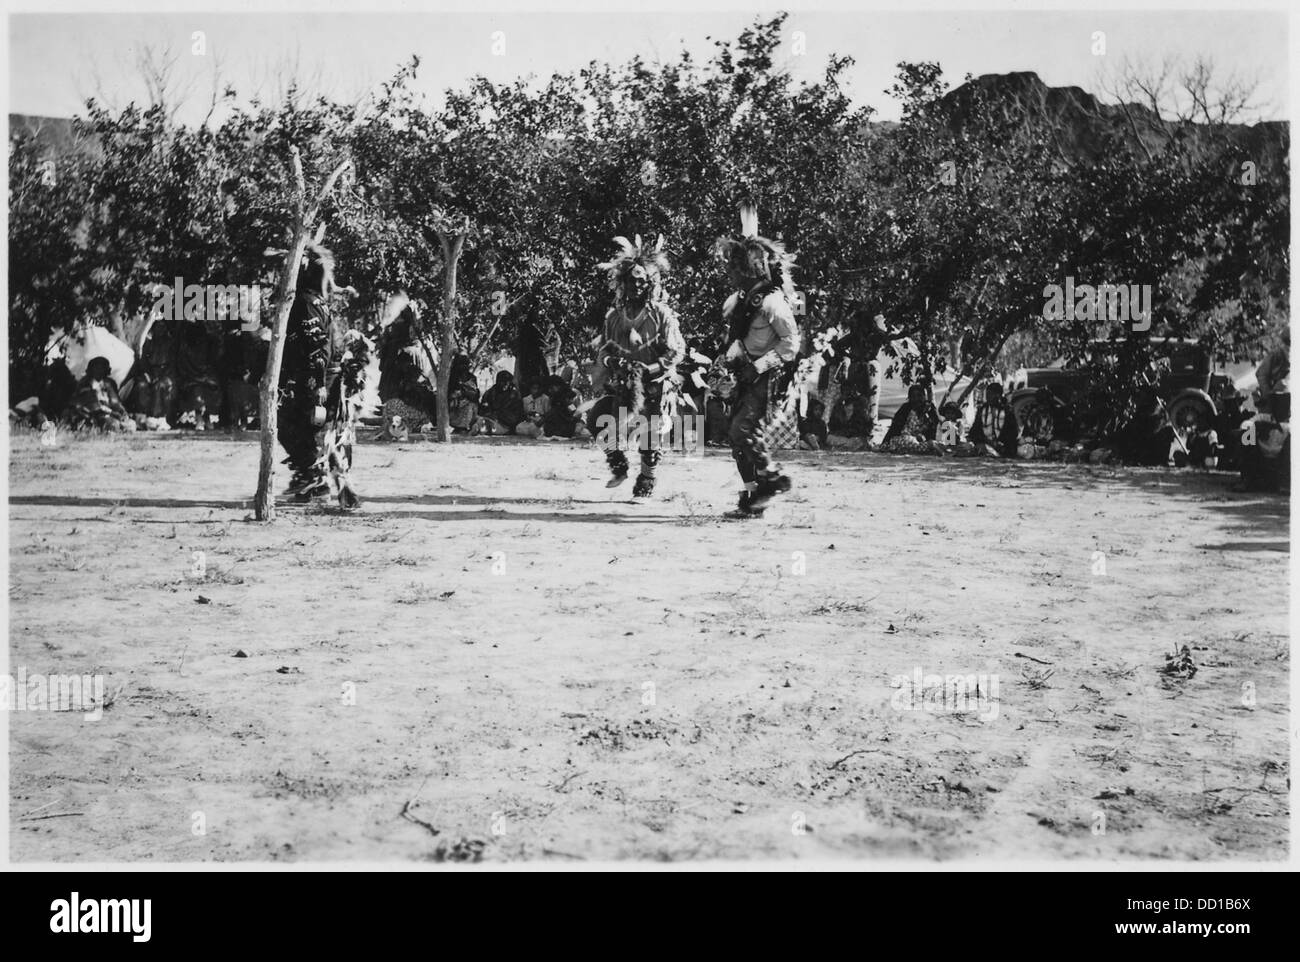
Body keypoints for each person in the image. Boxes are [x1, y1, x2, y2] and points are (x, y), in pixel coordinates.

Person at [714, 204, 800, 516]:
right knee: (737, 438)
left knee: (742, 430)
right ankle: (753, 498)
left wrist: (759, 367)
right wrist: (726, 365)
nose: (731, 272)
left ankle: (772, 478)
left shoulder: (774, 302)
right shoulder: (738, 301)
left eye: (736, 267)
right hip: (743, 372)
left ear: (750, 268)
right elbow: (737, 340)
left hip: (769, 374)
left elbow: (792, 343)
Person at [586, 233, 687, 496]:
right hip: (624, 386)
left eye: (640, 281)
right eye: (630, 281)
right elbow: (604, 349)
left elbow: (677, 351)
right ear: (622, 283)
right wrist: (613, 362)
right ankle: (618, 465)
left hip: (655, 386)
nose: (635, 286)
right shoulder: (614, 317)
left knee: (650, 434)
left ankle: (645, 483)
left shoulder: (661, 315)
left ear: (650, 283)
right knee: (596, 418)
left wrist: (652, 370)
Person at [278, 243, 350, 503]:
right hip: (318, 376)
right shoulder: (314, 300)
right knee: (304, 430)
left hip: (315, 377)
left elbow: (317, 347)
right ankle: (312, 479)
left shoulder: (306, 302)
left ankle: (313, 478)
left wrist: (318, 385)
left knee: (288, 426)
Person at [65, 356, 134, 431]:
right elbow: (94, 406)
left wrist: (123, 412)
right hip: (89, 415)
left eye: (103, 368)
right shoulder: (85, 383)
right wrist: (113, 413)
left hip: (108, 414)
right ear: (91, 370)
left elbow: (115, 402)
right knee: (113, 424)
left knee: (131, 424)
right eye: (97, 368)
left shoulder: (109, 383)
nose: (100, 371)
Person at [880, 384, 941, 453]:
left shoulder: (930, 409)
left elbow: (934, 428)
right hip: (904, 438)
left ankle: (928, 446)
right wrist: (885, 442)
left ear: (924, 397)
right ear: (909, 398)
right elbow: (894, 428)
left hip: (922, 440)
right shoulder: (905, 409)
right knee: (902, 442)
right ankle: (928, 447)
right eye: (913, 396)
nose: (916, 399)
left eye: (919, 396)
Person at [967, 381, 1020, 457]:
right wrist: (985, 440)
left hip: (1003, 445)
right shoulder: (982, 409)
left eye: (990, 394)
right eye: (987, 394)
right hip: (985, 443)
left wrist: (999, 443)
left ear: (998, 395)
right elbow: (975, 430)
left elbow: (1013, 432)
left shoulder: (1007, 410)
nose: (988, 397)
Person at [476, 371, 525, 435]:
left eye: (507, 382)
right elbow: (482, 410)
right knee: (480, 421)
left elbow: (517, 416)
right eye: (503, 382)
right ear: (497, 381)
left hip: (505, 425)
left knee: (486, 427)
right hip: (489, 419)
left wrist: (499, 416)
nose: (505, 384)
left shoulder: (515, 396)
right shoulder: (489, 393)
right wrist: (490, 414)